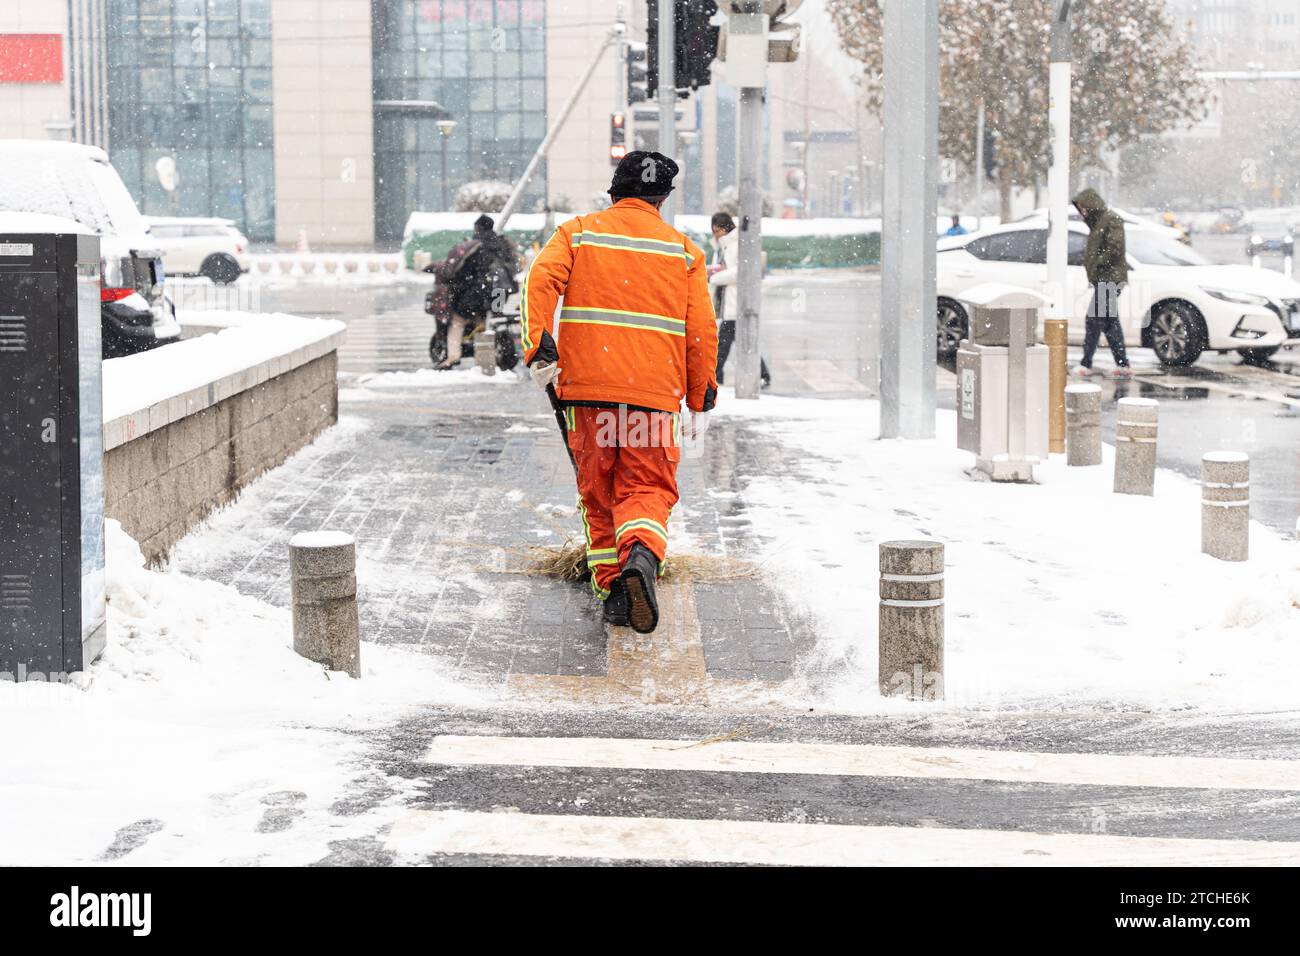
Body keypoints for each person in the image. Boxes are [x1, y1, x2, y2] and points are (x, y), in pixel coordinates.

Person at [522, 151, 718, 634]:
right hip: (653, 398)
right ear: (663, 199)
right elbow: (701, 333)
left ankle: (612, 590)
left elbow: (539, 280)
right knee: (646, 488)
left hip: (586, 393)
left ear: (613, 192)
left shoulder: (579, 232)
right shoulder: (684, 252)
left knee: (598, 491)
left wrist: (538, 345)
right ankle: (642, 562)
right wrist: (701, 397)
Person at [437, 213, 519, 370]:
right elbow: (514, 266)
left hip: (482, 291)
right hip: (503, 290)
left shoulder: (476, 247)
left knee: (457, 320)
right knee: (491, 316)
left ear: (478, 228)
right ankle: (485, 349)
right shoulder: (503, 244)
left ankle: (453, 357)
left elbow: (465, 273)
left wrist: (456, 283)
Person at [1071, 188, 1133, 380]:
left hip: (1110, 280)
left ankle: (1086, 363)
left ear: (1090, 204)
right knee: (1109, 322)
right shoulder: (1097, 223)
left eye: (1083, 207)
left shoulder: (1110, 219)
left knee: (1094, 320)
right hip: (1103, 279)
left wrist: (1097, 262)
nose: (1082, 212)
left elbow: (1115, 247)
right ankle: (1122, 364)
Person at [708, 211, 771, 388]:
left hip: (736, 302)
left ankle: (715, 375)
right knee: (740, 342)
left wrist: (714, 277)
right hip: (728, 302)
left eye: (717, 229)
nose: (715, 233)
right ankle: (763, 375)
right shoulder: (722, 246)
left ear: (725, 228)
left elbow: (739, 271)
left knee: (725, 342)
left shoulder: (736, 245)